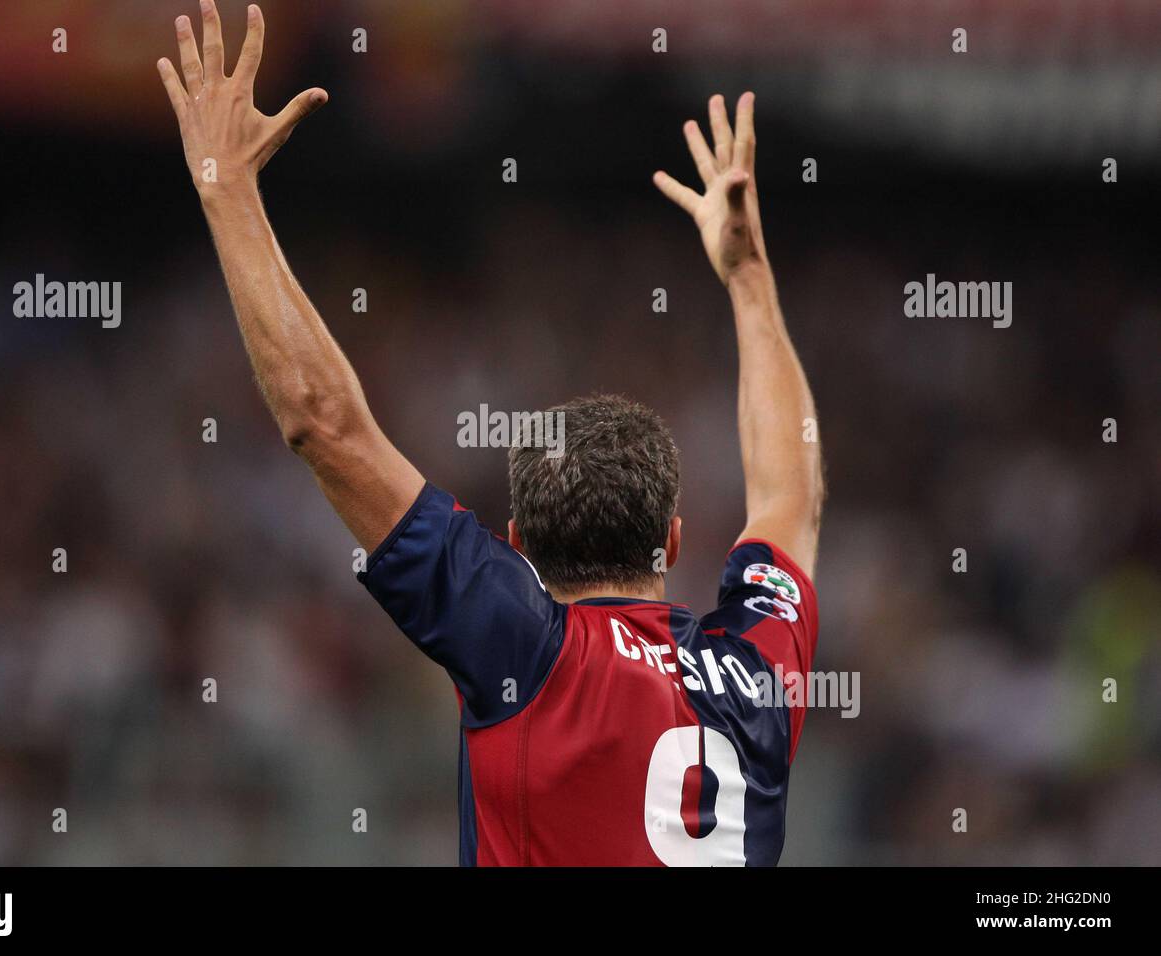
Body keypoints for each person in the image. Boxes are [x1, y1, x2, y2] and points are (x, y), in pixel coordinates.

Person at [158, 0, 824, 865]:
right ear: (672, 537)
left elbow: (323, 424)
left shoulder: (521, 644)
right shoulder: (758, 666)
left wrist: (227, 189)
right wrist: (748, 278)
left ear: (517, 546)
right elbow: (791, 494)